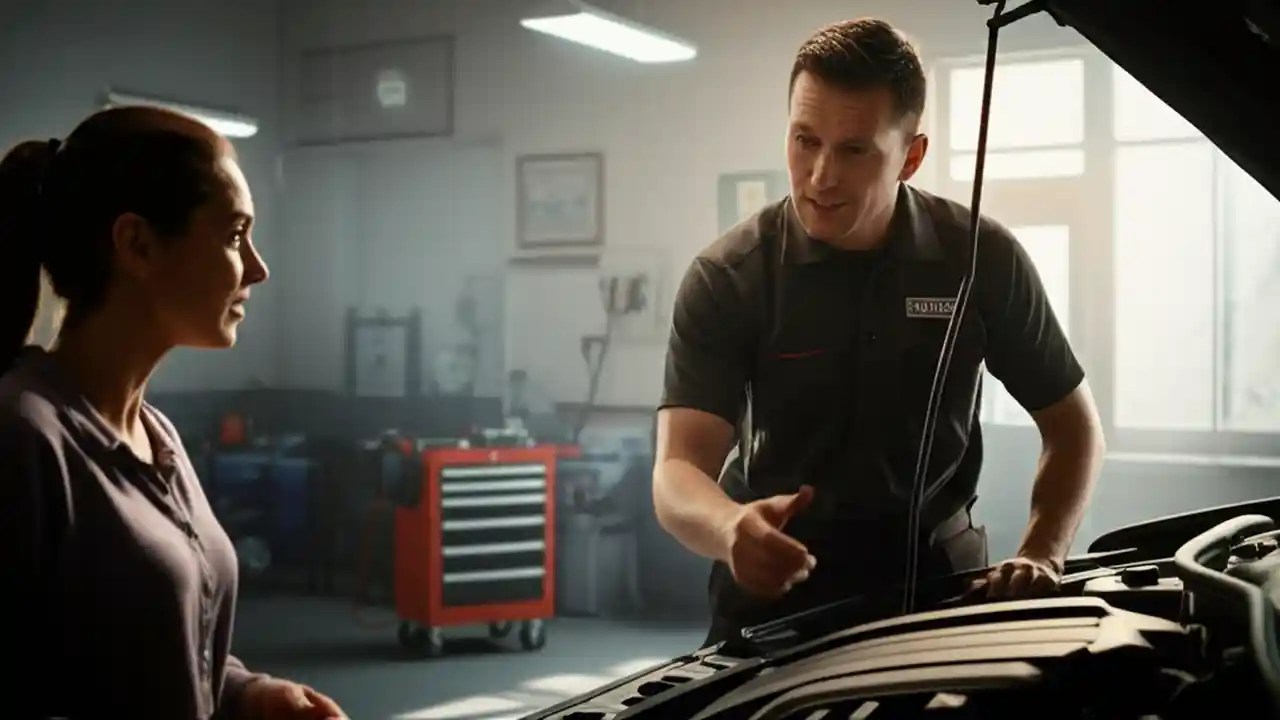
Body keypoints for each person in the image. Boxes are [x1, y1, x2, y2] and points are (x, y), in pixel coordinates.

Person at [653, 18, 1106, 647]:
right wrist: (728, 527)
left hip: (940, 592)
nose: (820, 175)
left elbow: (1074, 426)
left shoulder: (982, 259)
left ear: (910, 157)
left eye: (854, 150)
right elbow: (677, 468)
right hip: (774, 597)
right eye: (805, 140)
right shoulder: (729, 276)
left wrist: (1043, 551)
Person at [0, 106, 349, 719]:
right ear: (137, 245)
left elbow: (150, 647)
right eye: (235, 235)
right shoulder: (22, 436)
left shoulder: (155, 434)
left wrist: (244, 694)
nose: (258, 268)